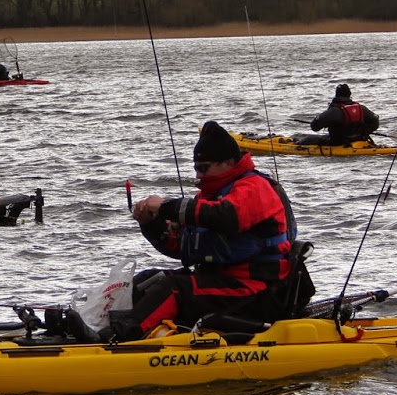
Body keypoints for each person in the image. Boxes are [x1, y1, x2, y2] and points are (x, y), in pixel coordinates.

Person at [103, 120, 302, 341]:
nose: (198, 176)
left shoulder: (254, 188)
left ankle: (116, 339)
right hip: (222, 282)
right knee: (150, 280)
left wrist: (166, 206)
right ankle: (96, 328)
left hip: (255, 290)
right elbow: (180, 245)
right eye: (196, 169)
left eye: (203, 168)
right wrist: (151, 223)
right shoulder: (210, 197)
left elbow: (226, 216)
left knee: (174, 289)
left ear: (228, 162)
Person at [309, 83, 381, 146]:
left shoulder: (334, 111)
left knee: (308, 139)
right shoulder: (361, 108)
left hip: (338, 143)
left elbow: (314, 127)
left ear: (336, 95)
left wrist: (326, 123)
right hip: (359, 140)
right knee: (325, 137)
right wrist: (364, 133)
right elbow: (375, 121)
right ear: (349, 95)